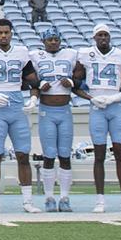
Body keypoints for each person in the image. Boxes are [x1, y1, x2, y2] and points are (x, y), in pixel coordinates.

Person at [0, 18, 38, 214]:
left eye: (6, 32)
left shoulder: (21, 52)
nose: (3, 35)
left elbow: (33, 80)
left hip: (17, 106)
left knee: (23, 155)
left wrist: (34, 97)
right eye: (0, 32)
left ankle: (28, 201)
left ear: (11, 33)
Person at [80, 24, 121, 212]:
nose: (103, 38)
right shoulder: (86, 55)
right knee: (99, 155)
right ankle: (100, 200)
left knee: (120, 153)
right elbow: (75, 84)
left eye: (106, 35)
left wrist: (114, 97)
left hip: (116, 108)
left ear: (110, 37)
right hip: (96, 109)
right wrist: (92, 98)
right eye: (99, 35)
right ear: (94, 37)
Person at [30, 26, 83, 212]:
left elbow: (81, 78)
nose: (53, 42)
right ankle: (49, 197)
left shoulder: (71, 54)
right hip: (46, 111)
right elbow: (28, 78)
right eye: (49, 39)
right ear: (43, 41)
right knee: (49, 155)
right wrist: (38, 85)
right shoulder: (36, 56)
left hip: (65, 110)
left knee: (65, 155)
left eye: (56, 39)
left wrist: (73, 82)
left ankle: (65, 197)